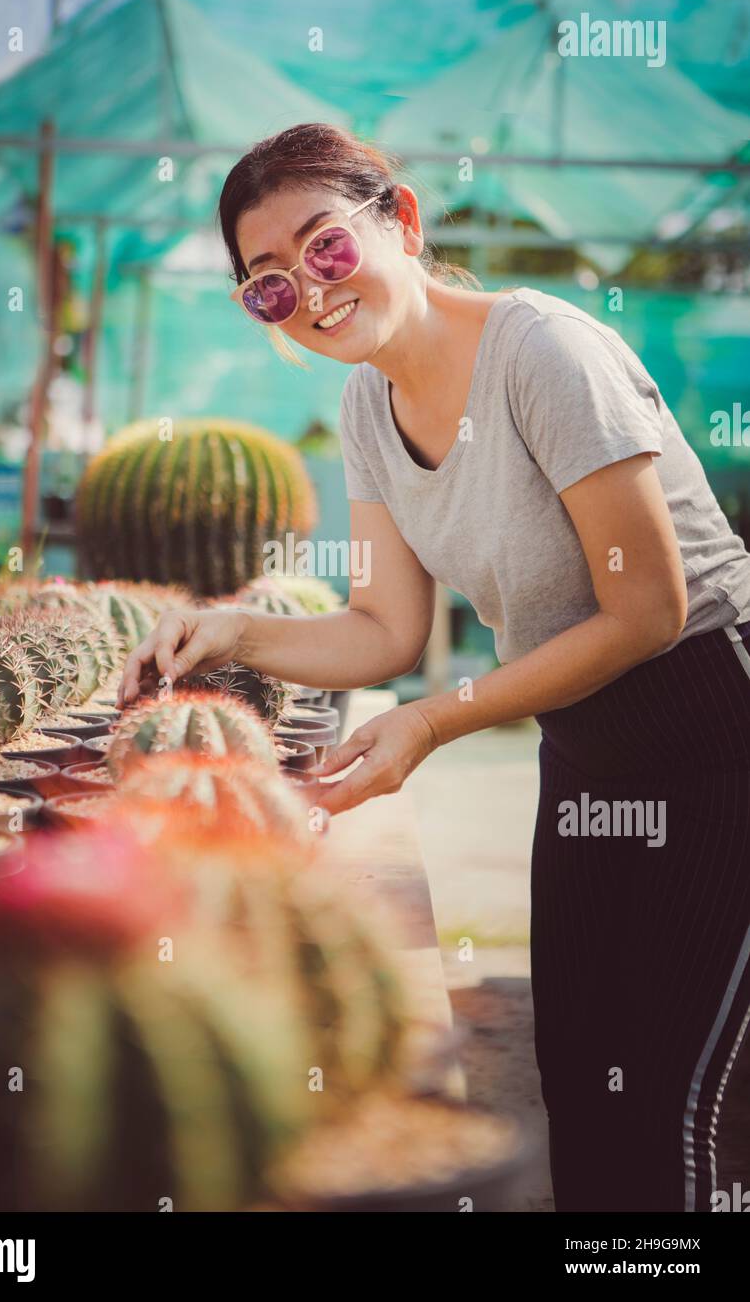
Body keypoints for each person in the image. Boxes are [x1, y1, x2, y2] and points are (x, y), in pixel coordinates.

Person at [118, 122, 750, 1213]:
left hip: (708, 726)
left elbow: (645, 609)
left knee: (658, 1104)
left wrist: (432, 722)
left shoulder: (542, 353)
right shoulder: (367, 404)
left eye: (323, 248)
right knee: (580, 1090)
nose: (309, 296)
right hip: (585, 745)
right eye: (268, 286)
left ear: (398, 220)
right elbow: (383, 627)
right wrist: (230, 632)